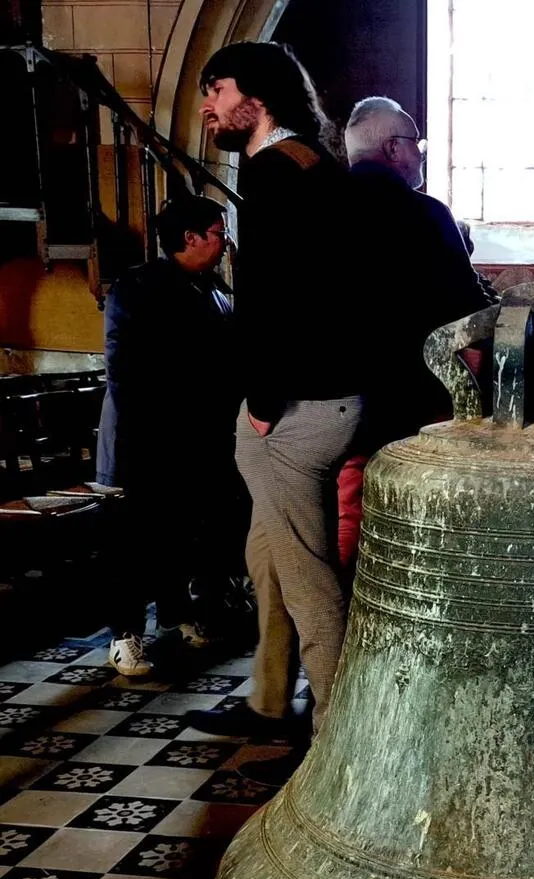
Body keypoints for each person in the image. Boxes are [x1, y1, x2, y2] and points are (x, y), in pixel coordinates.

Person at [186, 42, 363, 783]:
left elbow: (276, 303)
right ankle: (267, 698)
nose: (207, 107)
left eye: (216, 90)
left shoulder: (270, 171)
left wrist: (260, 406)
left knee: (307, 577)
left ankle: (337, 742)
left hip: (295, 410)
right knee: (269, 556)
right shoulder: (310, 165)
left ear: (256, 96)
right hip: (325, 398)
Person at [97, 195, 236, 677]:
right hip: (146, 438)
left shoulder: (211, 290)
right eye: (217, 233)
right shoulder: (137, 288)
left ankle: (176, 615)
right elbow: (125, 370)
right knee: (136, 538)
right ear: (190, 238)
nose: (224, 242)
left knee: (182, 533)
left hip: (194, 438)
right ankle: (125, 635)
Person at [343, 96, 493, 446]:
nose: (421, 152)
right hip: (416, 397)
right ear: (393, 148)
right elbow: (468, 310)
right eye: (416, 142)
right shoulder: (427, 214)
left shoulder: (313, 209)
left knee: (349, 495)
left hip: (334, 395)